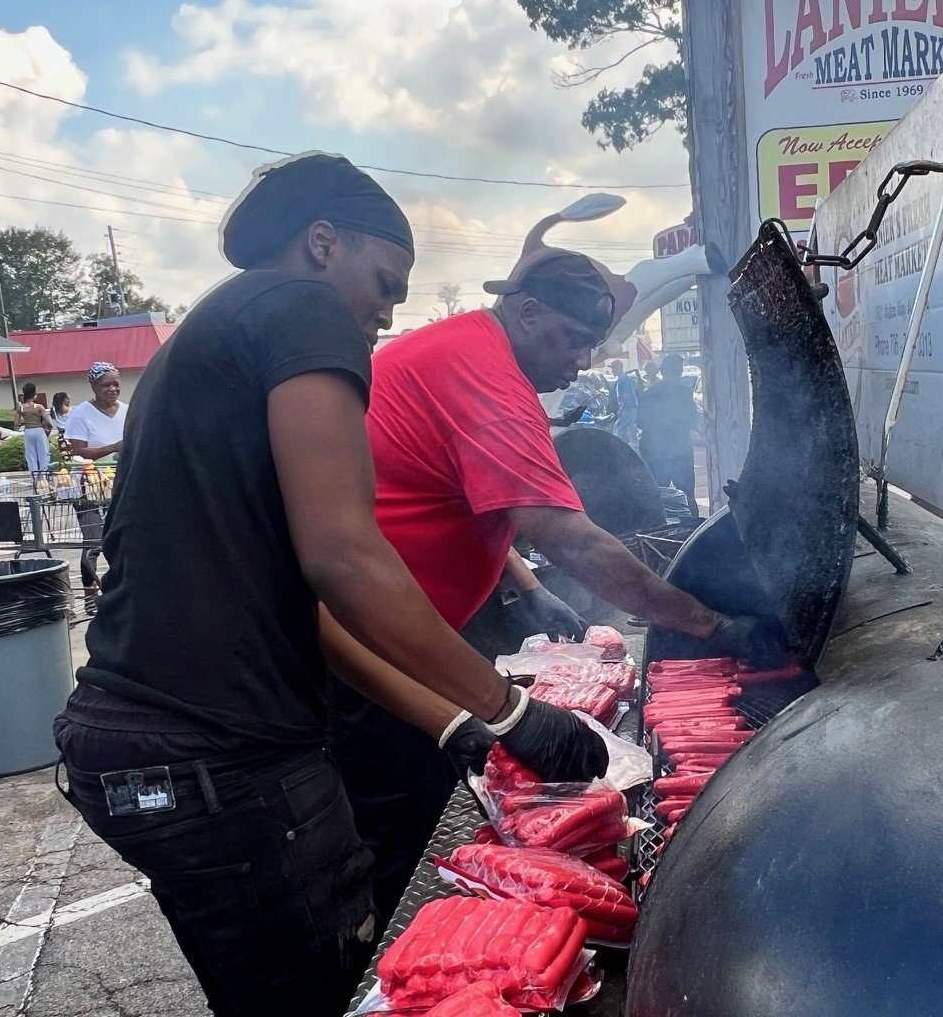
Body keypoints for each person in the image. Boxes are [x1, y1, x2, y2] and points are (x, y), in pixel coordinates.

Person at [53, 152, 607, 1012]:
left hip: (128, 746)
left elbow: (304, 606)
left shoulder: (205, 334)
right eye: (385, 282)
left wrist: (452, 721)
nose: (386, 314)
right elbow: (345, 559)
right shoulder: (301, 311)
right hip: (218, 760)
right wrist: (514, 712)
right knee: (330, 989)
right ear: (322, 244)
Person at [341, 244, 792, 920]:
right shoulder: (483, 373)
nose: (584, 361)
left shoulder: (470, 351)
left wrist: (525, 585)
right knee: (399, 820)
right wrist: (707, 623)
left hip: (401, 628)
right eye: (577, 342)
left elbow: (469, 500)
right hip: (364, 642)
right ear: (527, 314)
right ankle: (401, 950)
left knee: (420, 795)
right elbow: (569, 536)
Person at [637, 352, 699, 507]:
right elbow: (692, 421)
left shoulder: (648, 393)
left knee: (656, 497)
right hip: (680, 452)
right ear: (680, 371)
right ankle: (693, 528)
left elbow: (639, 422)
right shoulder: (685, 392)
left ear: (662, 371)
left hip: (654, 452)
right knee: (687, 497)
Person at [63, 364, 126, 463]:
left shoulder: (127, 410)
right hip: (94, 474)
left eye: (116, 384)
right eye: (106, 385)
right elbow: (76, 452)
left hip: (126, 472)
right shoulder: (80, 413)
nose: (113, 389)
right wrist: (113, 448)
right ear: (94, 387)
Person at [18, 383, 52, 485]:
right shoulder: (39, 407)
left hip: (28, 431)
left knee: (30, 455)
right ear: (34, 395)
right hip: (39, 430)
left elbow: (16, 423)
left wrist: (26, 421)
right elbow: (47, 421)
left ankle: (34, 479)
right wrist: (47, 429)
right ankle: (44, 479)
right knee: (43, 454)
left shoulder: (21, 408)